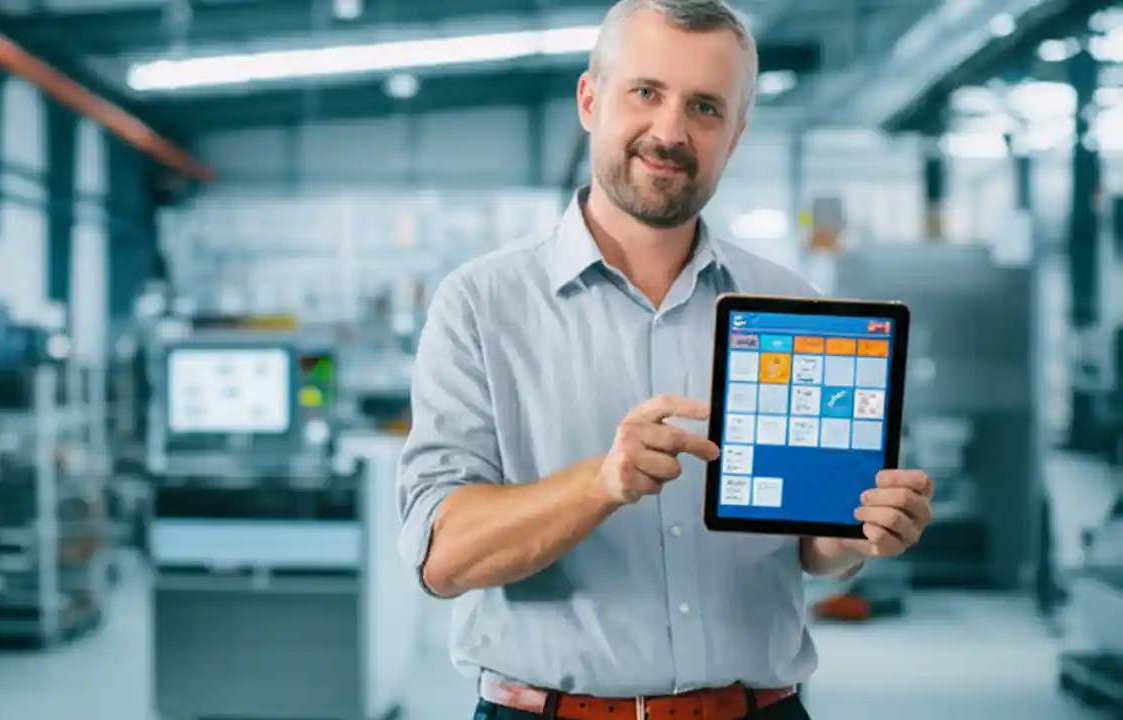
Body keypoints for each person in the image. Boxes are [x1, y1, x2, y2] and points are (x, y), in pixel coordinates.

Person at [395, 1, 935, 718]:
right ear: (591, 100)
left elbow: (816, 546)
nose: (671, 131)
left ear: (736, 135)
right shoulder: (482, 305)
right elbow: (441, 556)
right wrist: (600, 483)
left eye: (706, 108)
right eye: (646, 92)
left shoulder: (792, 306)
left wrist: (859, 532)